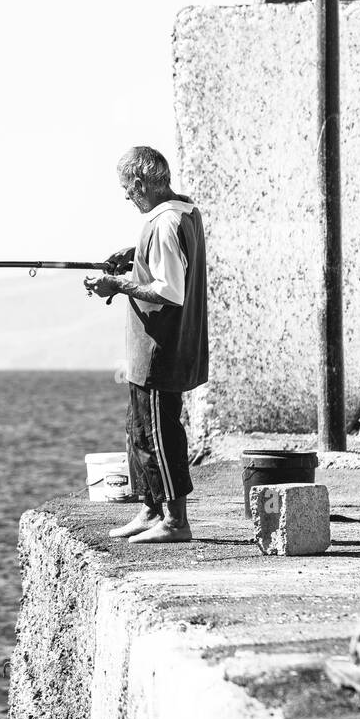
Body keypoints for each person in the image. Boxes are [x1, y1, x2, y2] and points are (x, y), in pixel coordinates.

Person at [84, 146, 208, 544]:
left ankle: (175, 521)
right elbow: (167, 264)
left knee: (159, 433)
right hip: (150, 352)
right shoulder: (184, 212)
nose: (125, 195)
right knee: (139, 430)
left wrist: (117, 284)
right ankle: (152, 509)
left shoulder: (165, 224)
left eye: (126, 187)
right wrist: (133, 254)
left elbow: (169, 291)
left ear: (139, 183)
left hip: (160, 350)